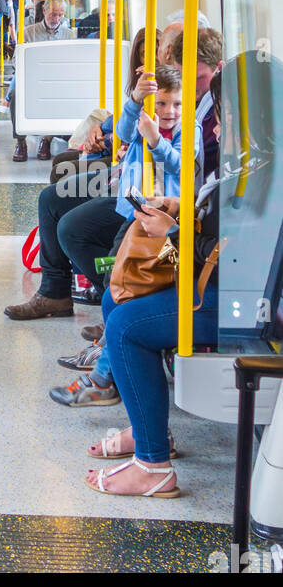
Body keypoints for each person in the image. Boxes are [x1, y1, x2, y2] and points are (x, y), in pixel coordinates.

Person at [83, 67, 225, 498]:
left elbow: (227, 249)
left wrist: (174, 230)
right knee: (113, 299)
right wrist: (178, 211)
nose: (214, 124)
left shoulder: (259, 172)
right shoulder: (247, 162)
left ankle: (153, 465)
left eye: (220, 114)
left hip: (229, 291)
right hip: (210, 270)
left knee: (125, 328)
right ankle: (147, 429)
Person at [48, 61, 201, 406]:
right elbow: (123, 130)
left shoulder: (184, 131)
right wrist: (134, 100)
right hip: (134, 213)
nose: (168, 112)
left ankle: (103, 375)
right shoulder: (141, 120)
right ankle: (106, 364)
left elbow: (183, 165)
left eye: (176, 104)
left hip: (161, 223)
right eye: (160, 104)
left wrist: (157, 141)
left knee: (121, 293)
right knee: (114, 287)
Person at [4, 27, 151, 322]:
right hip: (122, 171)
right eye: (142, 57)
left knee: (70, 215)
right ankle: (54, 292)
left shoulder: (172, 93)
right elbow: (123, 126)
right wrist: (104, 130)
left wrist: (123, 144)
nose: (146, 64)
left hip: (139, 183)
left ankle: (113, 294)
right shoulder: (141, 92)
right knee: (51, 198)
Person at [9, 0, 75, 162]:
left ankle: (47, 139)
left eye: (60, 15)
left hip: (58, 82)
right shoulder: (29, 32)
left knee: (64, 95)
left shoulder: (69, 34)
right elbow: (17, 59)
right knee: (16, 95)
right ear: (44, 11)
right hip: (33, 81)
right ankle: (21, 142)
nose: (56, 18)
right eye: (53, 14)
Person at [170, 26, 223, 177]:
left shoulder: (220, 113)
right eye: (181, 76)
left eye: (198, 78)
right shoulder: (178, 97)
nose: (188, 86)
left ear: (219, 68)